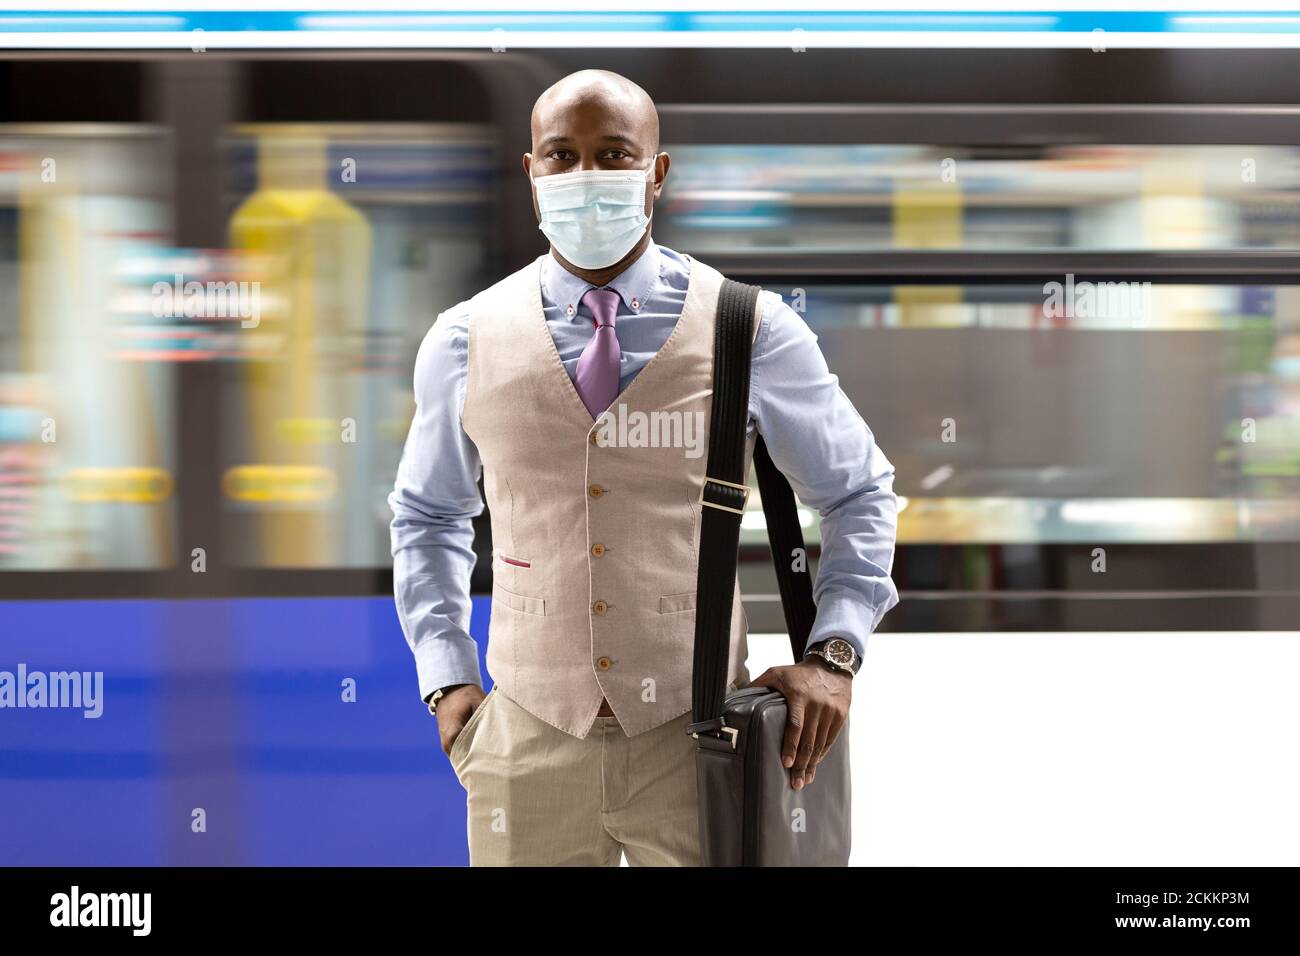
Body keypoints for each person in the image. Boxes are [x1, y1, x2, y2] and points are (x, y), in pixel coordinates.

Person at [389, 69, 899, 866]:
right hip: (525, 742)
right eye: (561, 155)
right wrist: (446, 677)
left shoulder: (748, 328)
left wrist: (834, 655)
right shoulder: (463, 340)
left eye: (613, 154)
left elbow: (860, 491)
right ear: (532, 174)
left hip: (699, 742)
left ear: (657, 173)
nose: (585, 176)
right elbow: (428, 516)